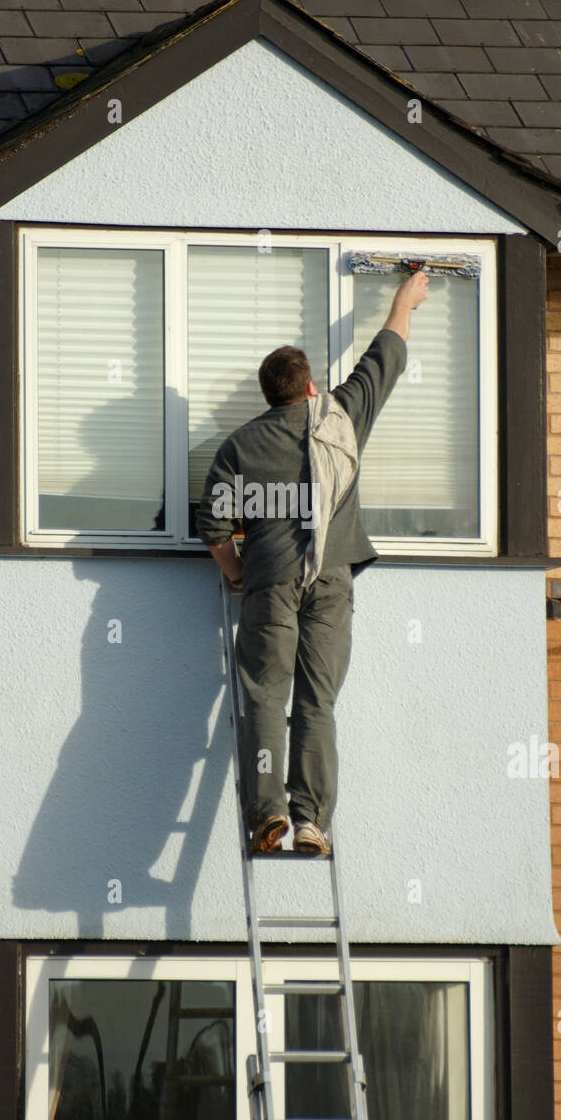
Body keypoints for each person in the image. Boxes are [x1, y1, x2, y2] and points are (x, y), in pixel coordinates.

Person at [197, 270, 430, 855]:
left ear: (268, 395)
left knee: (265, 699)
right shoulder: (340, 419)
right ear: (309, 388)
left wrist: (236, 572)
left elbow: (214, 528)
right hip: (331, 580)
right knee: (316, 702)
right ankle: (311, 822)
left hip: (270, 583)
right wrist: (404, 300)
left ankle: (268, 813)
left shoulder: (239, 446)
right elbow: (384, 358)